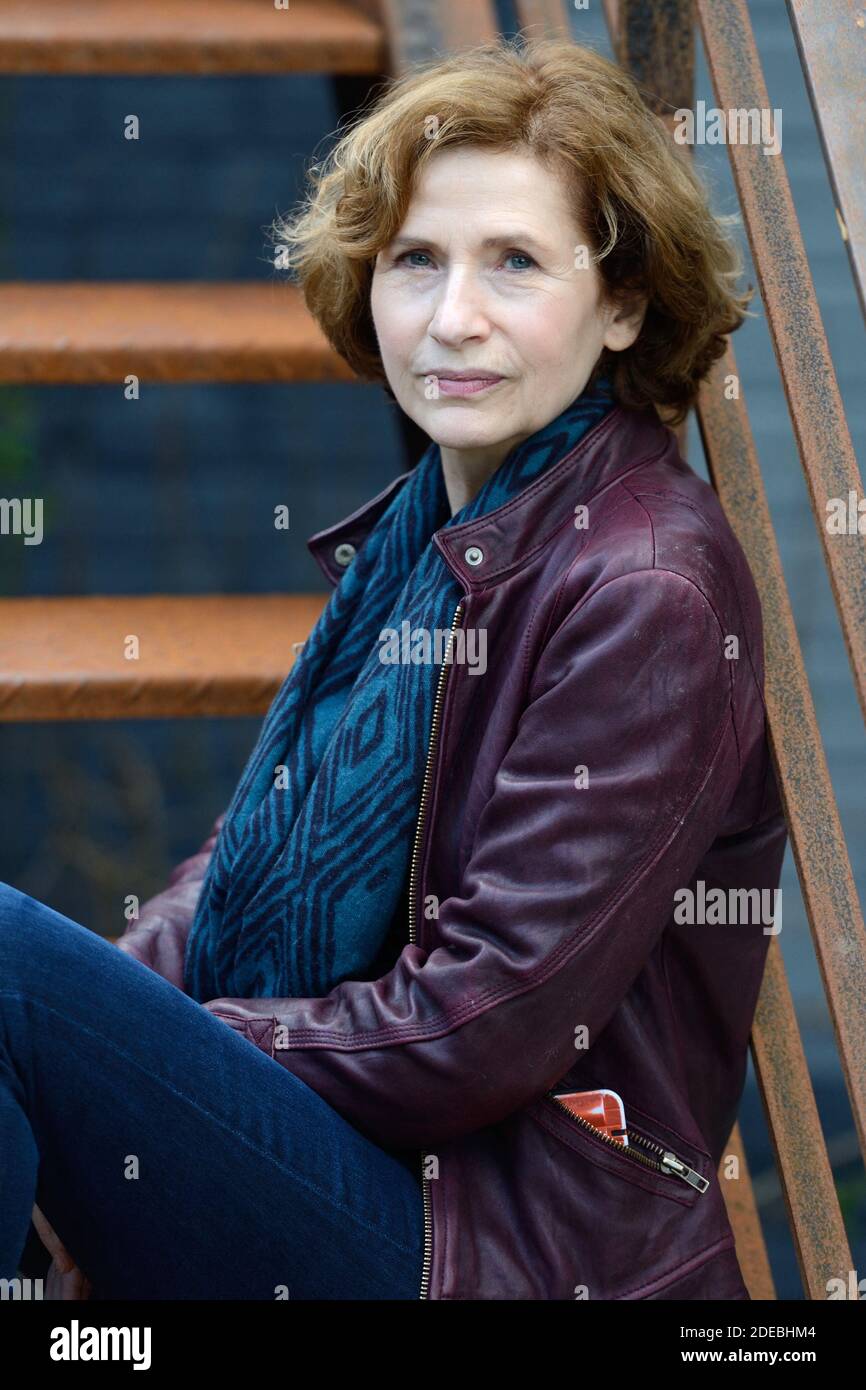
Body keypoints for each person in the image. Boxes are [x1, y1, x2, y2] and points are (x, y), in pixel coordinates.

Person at [0, 36, 786, 1301]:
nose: (451, 315)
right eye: (416, 260)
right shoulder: (433, 532)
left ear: (624, 301)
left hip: (494, 1245)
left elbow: (483, 1022)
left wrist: (169, 1052)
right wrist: (116, 1025)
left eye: (515, 263)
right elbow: (252, 848)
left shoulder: (644, 589)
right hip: (371, 1158)